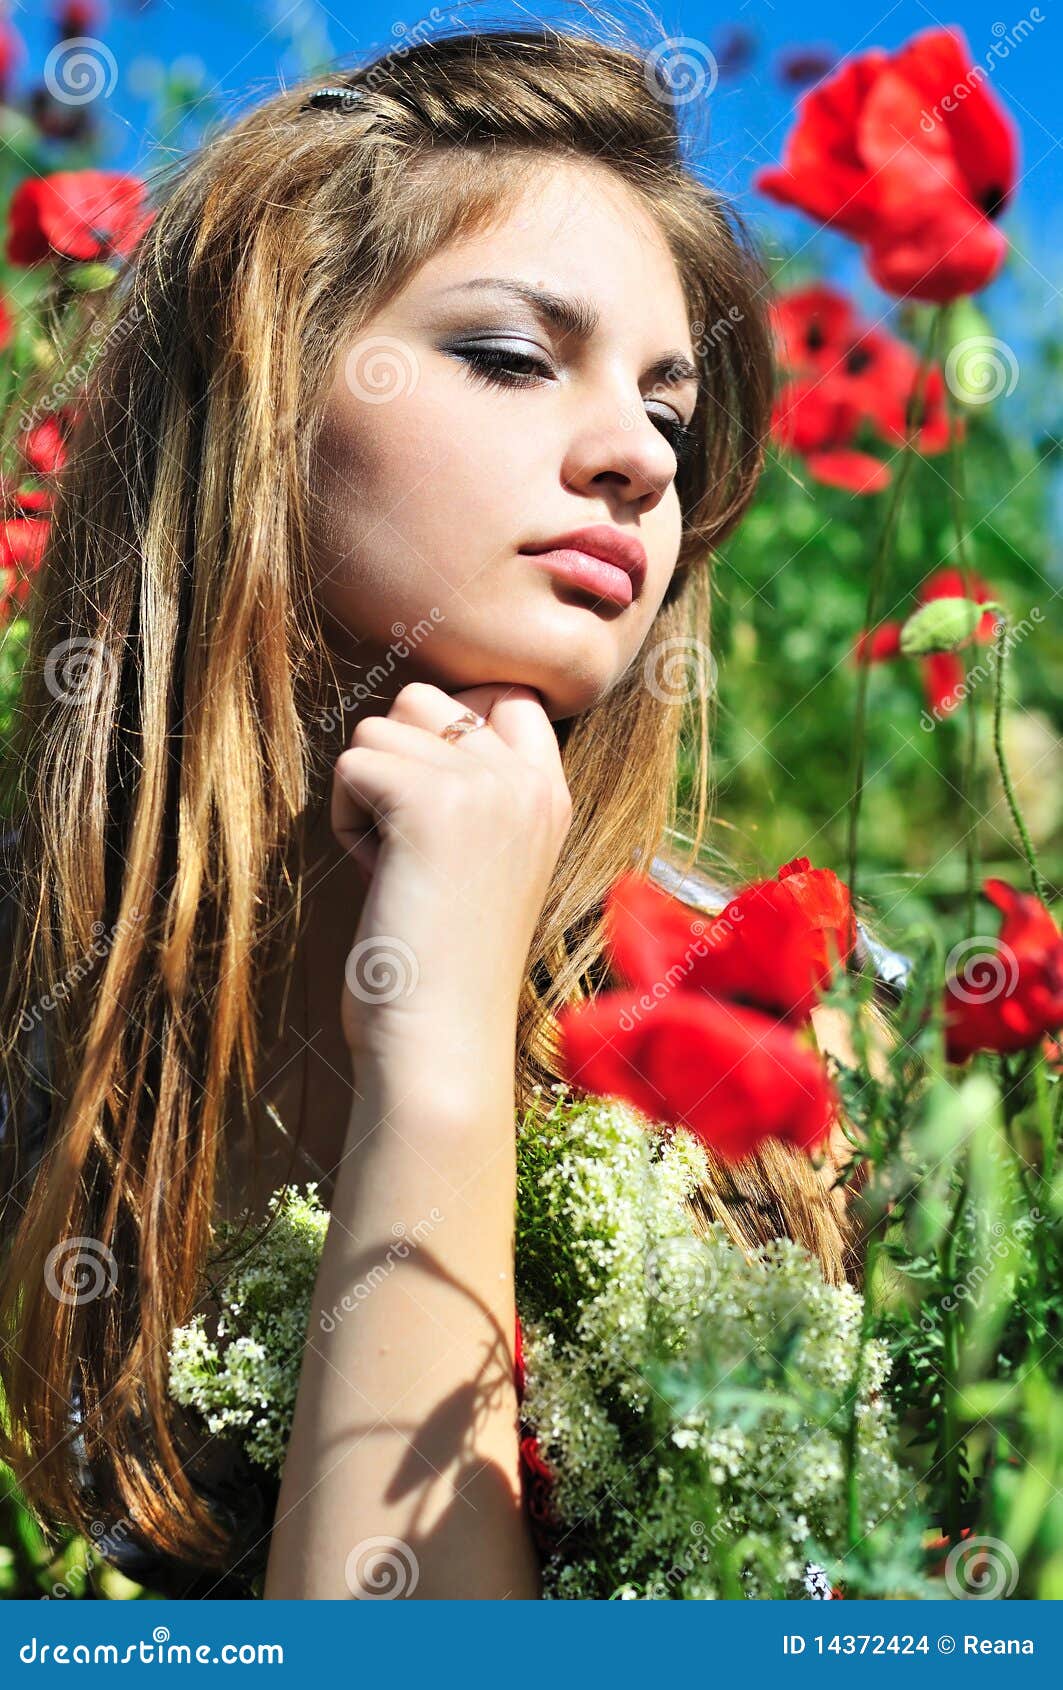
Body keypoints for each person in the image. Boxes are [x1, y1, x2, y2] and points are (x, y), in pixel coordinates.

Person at [0, 22, 896, 1600]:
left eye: (673, 418)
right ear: (259, 399)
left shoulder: (809, 1032)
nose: (634, 457)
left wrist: (439, 1066)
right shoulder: (32, 1021)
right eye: (507, 355)